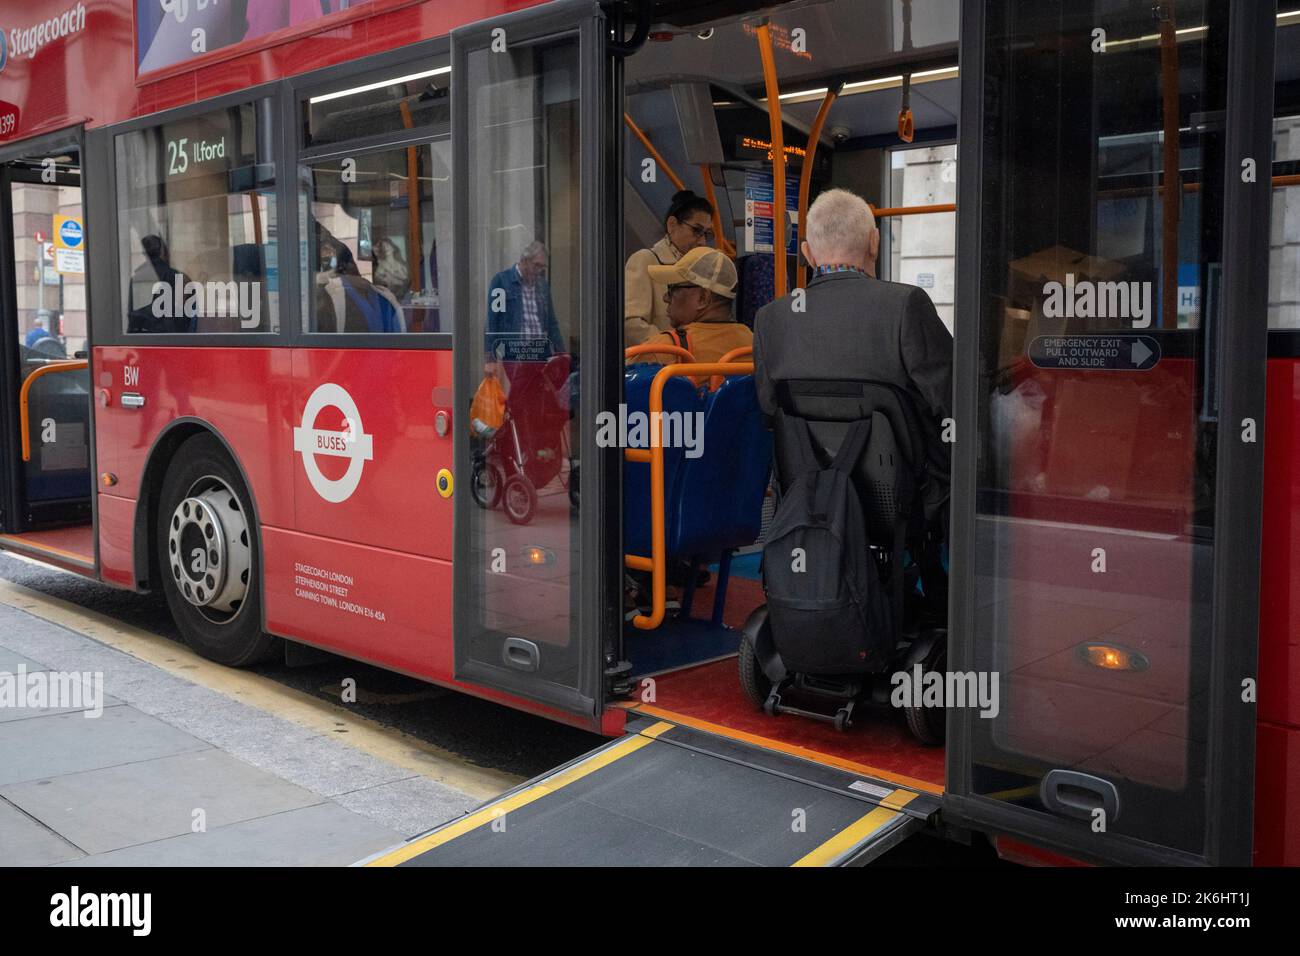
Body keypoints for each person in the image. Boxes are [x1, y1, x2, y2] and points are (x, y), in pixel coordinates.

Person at [753, 188, 952, 593]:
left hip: (810, 498)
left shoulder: (770, 320)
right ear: (874, 242)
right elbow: (952, 404)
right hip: (906, 500)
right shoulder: (906, 305)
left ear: (808, 253)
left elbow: (768, 412)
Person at [624, 189, 715, 346]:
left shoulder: (704, 266)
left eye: (707, 234)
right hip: (661, 362)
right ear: (672, 224)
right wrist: (675, 346)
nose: (702, 242)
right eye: (697, 230)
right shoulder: (646, 260)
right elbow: (631, 324)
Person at [632, 246, 750, 367]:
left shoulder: (661, 351)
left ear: (703, 298)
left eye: (673, 288)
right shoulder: (755, 344)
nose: (665, 298)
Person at [485, 241, 566, 365]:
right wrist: (490, 360)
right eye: (536, 265)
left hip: (539, 355)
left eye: (542, 267)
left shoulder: (543, 286)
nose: (539, 271)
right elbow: (492, 323)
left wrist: (562, 354)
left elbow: (551, 324)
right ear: (524, 260)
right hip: (514, 356)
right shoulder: (501, 281)